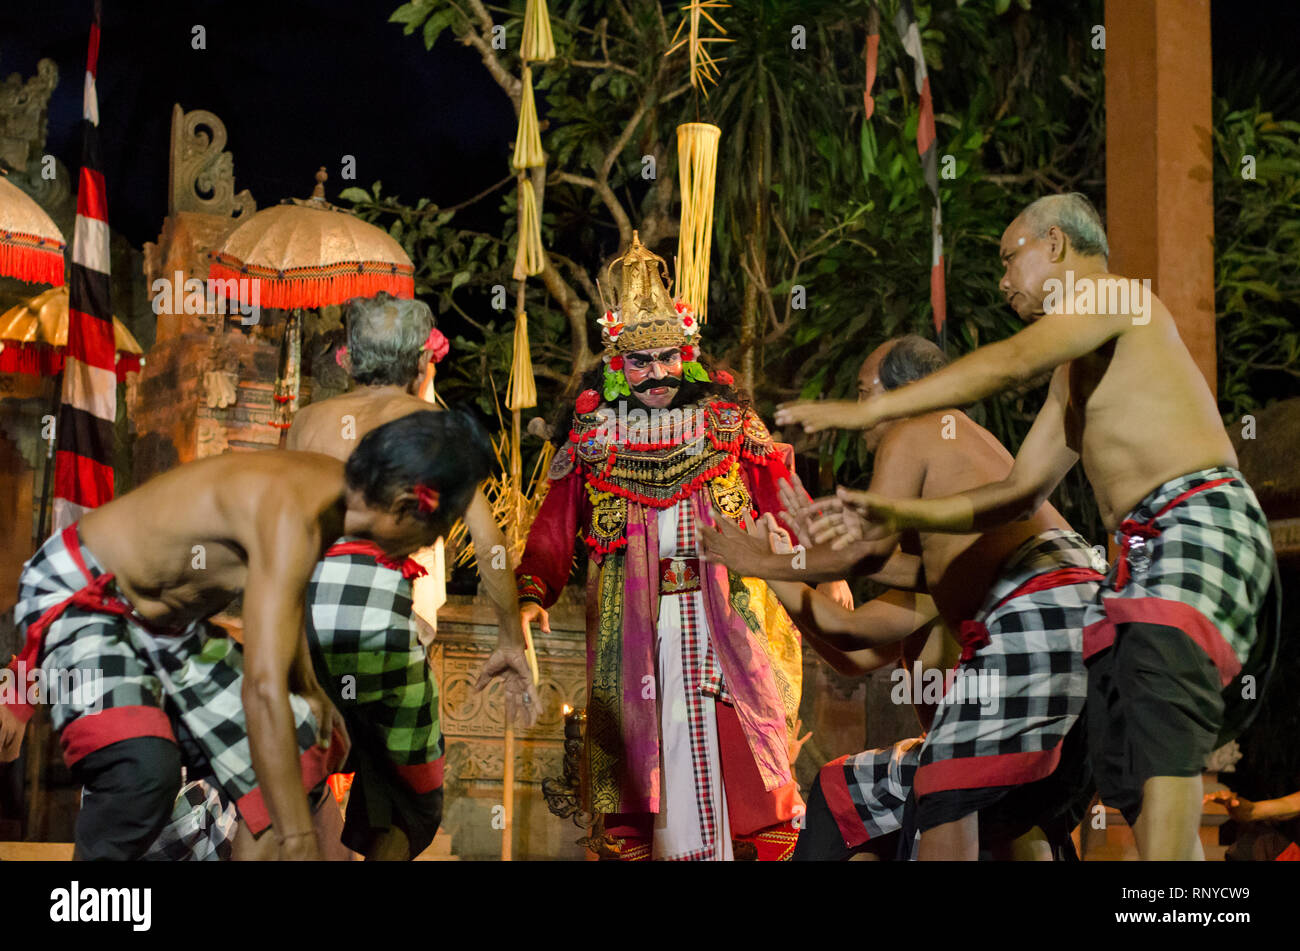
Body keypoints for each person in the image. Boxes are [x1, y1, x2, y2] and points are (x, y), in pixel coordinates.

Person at [777, 193, 1279, 859]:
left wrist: (865, 413)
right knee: (1144, 786)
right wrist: (899, 514)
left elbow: (1010, 360)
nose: (1004, 280)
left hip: (1191, 524)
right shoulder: (1079, 374)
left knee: (1159, 781)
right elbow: (1015, 491)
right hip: (1140, 564)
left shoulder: (1116, 299)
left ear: (1057, 244)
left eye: (1011, 259)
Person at [2, 409, 491, 860]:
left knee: (301, 749)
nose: (430, 545)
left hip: (163, 626)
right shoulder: (294, 513)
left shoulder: (331, 496)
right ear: (409, 505)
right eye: (438, 531)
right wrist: (298, 839)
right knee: (142, 772)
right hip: (83, 593)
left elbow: (286, 607)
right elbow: (262, 690)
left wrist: (307, 687)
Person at [701, 336, 1103, 860]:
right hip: (1082, 643)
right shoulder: (954, 552)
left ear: (907, 395)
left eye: (866, 393)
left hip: (1045, 611)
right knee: (930, 799)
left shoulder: (917, 431)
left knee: (933, 788)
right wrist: (793, 566)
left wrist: (760, 561)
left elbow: (864, 554)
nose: (862, 414)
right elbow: (855, 647)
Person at [515, 233, 846, 860]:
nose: (658, 375)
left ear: (689, 356)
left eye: (669, 358)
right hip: (635, 630)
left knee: (743, 751)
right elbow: (555, 525)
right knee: (648, 766)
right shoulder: (593, 439)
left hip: (728, 617)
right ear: (616, 363)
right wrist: (534, 592)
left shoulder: (727, 424)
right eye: (640, 362)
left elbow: (782, 497)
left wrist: (823, 568)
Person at [287, 293, 533, 859]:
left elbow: (286, 527)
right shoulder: (432, 426)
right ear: (424, 362)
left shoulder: (307, 422)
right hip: (383, 635)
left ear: (348, 359)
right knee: (406, 801)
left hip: (303, 636)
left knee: (310, 778)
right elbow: (490, 546)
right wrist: (507, 636)